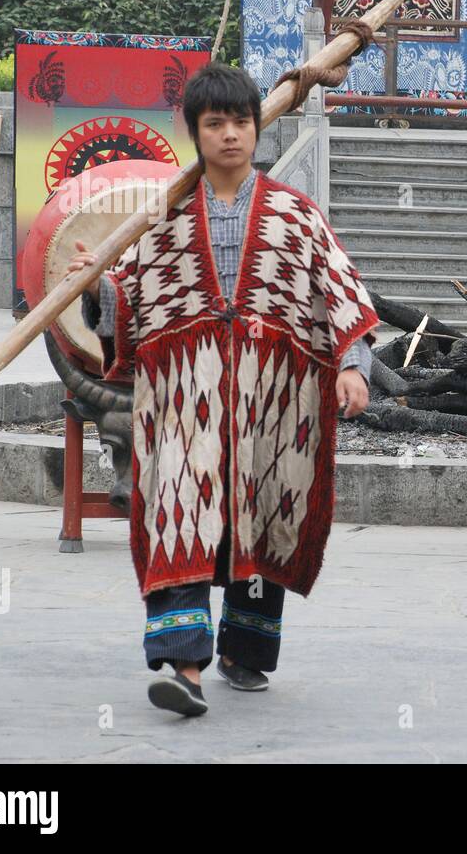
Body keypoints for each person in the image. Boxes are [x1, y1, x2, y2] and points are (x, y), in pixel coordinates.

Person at [65, 63, 380, 716]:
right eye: (216, 124)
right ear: (196, 132)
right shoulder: (165, 214)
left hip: (274, 402)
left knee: (263, 518)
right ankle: (182, 667)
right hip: (185, 400)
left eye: (241, 121)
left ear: (256, 129)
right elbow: (130, 292)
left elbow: (339, 289)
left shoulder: (296, 214)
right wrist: (94, 286)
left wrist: (351, 364)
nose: (230, 135)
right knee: (177, 514)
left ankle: (245, 651)